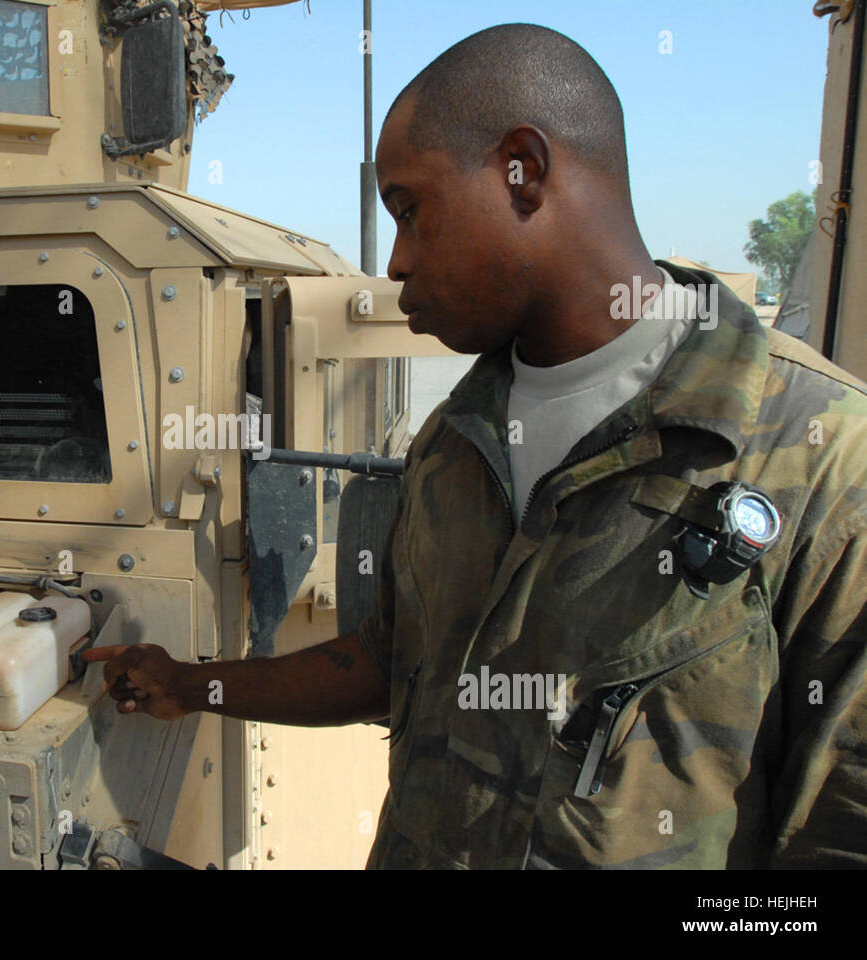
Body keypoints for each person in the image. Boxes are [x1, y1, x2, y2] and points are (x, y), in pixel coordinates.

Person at [84, 23, 867, 868]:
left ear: (523, 171)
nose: (395, 263)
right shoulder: (454, 443)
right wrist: (191, 682)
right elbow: (390, 663)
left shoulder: (821, 464)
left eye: (411, 211)